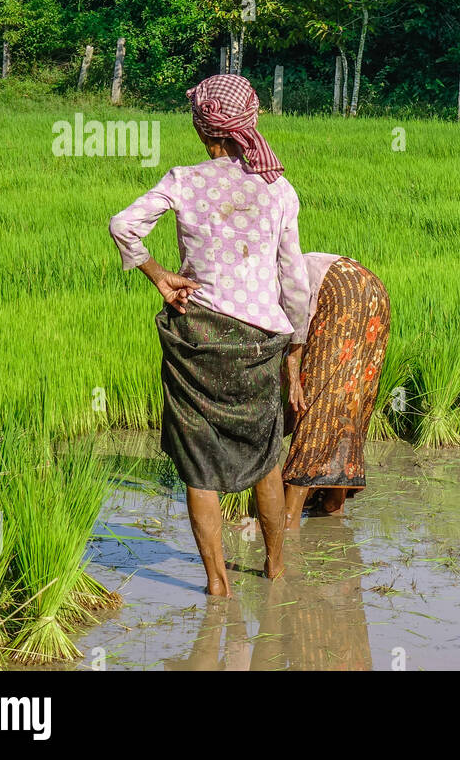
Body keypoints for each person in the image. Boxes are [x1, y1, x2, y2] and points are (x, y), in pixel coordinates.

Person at [109, 74, 309, 596]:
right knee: (266, 457)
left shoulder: (184, 179)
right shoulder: (277, 188)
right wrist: (295, 350)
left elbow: (123, 225)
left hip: (195, 336)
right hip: (258, 340)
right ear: (249, 123)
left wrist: (158, 275)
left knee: (200, 467)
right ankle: (275, 568)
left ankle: (217, 587)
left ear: (203, 130)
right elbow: (294, 280)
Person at [282, 253, 390, 528]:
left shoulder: (265, 284)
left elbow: (295, 328)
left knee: (316, 400)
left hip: (341, 291)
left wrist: (293, 381)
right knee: (351, 398)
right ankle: (333, 503)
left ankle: (288, 518)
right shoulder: (281, 265)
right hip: (373, 289)